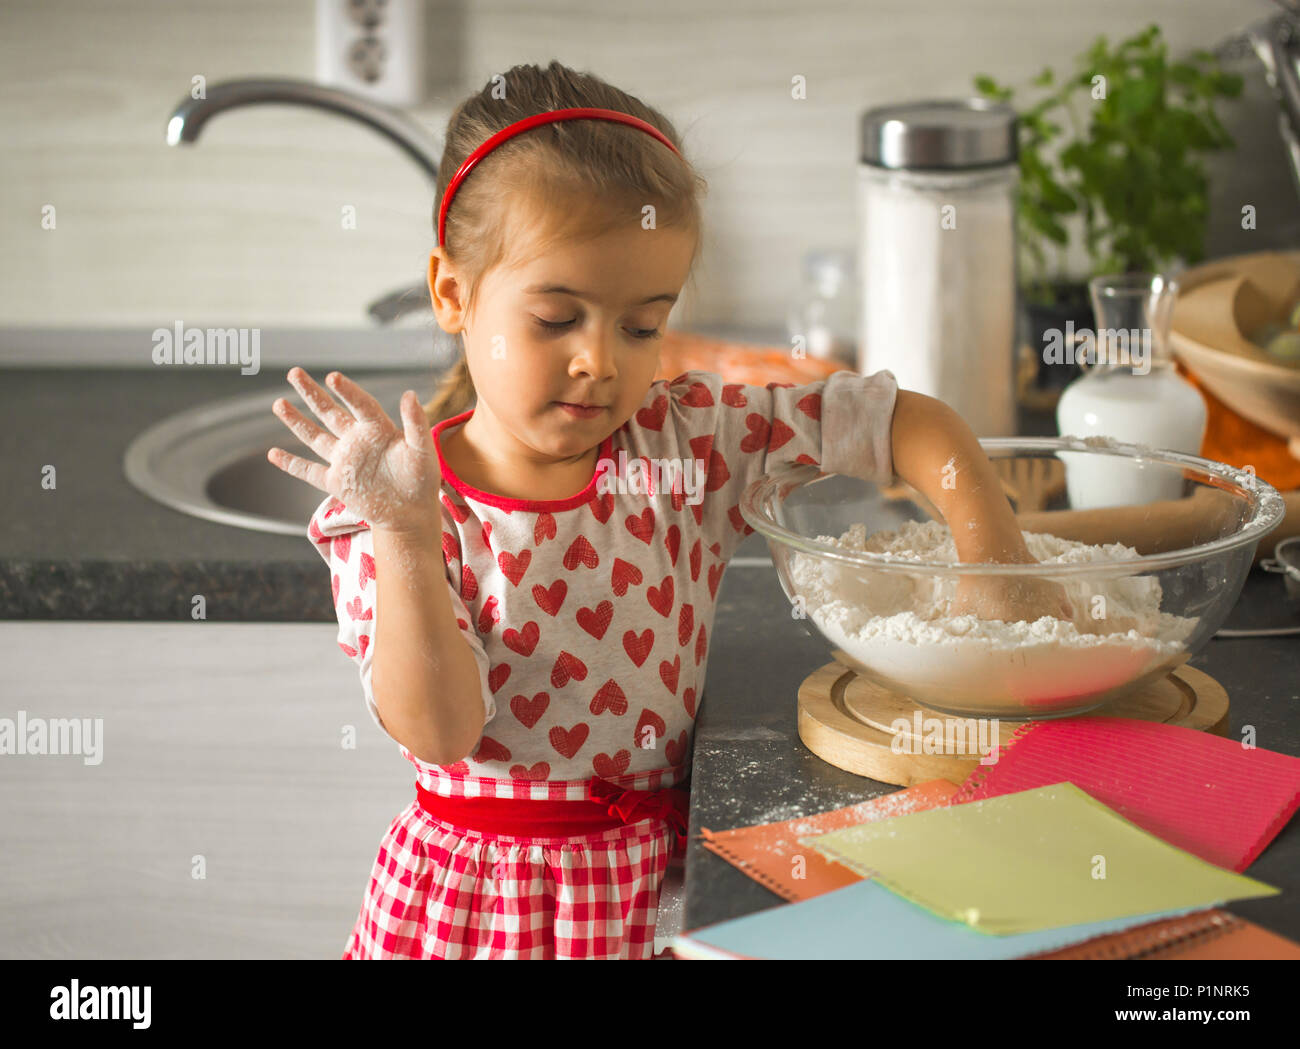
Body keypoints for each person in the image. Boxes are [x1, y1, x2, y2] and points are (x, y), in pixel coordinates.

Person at [268, 60, 1070, 959]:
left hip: (662, 892)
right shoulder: (404, 506)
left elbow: (901, 423)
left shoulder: (684, 445)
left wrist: (994, 548)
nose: (599, 361)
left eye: (641, 325)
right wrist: (406, 538)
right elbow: (442, 729)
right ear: (454, 294)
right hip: (479, 913)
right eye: (557, 318)